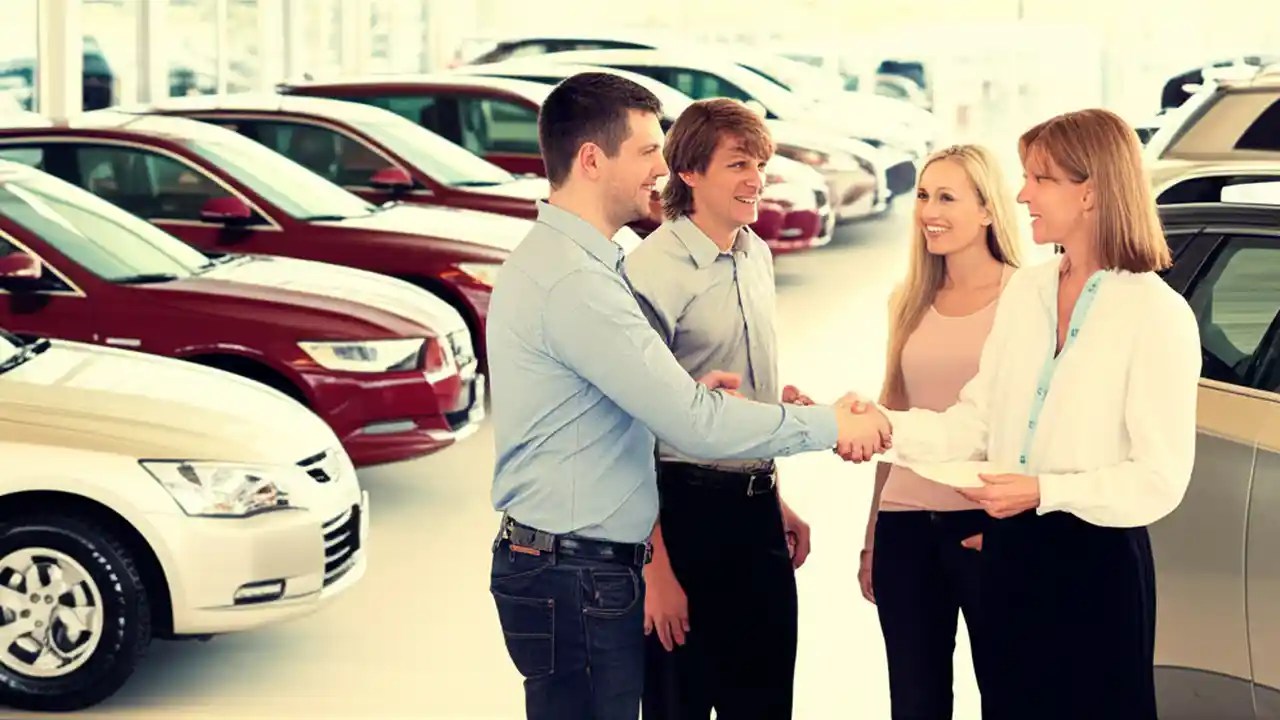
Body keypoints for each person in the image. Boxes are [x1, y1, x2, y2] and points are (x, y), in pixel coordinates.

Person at [485, 72, 881, 720]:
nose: (659, 167)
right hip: (577, 573)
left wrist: (681, 391)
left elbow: (620, 402)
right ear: (591, 159)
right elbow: (691, 425)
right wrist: (829, 423)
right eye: (646, 150)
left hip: (577, 567)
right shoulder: (577, 281)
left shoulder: (584, 265)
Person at [848, 108, 1201, 719]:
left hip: (1097, 570)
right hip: (1012, 561)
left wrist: (1043, 491)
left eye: (1039, 178)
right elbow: (975, 423)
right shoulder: (1027, 294)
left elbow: (1158, 480)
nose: (1020, 194)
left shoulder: (1156, 314)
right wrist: (881, 424)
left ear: (1089, 191)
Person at [623, 98, 813, 720]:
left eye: (759, 162)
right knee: (681, 704)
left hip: (754, 513)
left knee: (764, 703)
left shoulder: (755, 255)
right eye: (738, 163)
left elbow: (747, 402)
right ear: (690, 172)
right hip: (682, 517)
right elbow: (626, 428)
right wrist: (656, 572)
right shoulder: (650, 269)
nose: (755, 178)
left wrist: (775, 493)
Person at [857, 144, 1022, 720]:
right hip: (906, 528)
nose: (929, 209)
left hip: (986, 524)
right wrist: (874, 533)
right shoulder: (909, 300)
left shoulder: (1025, 300)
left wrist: (1013, 532)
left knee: (1008, 693)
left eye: (947, 196)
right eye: (924, 195)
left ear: (987, 210)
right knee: (916, 701)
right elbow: (892, 418)